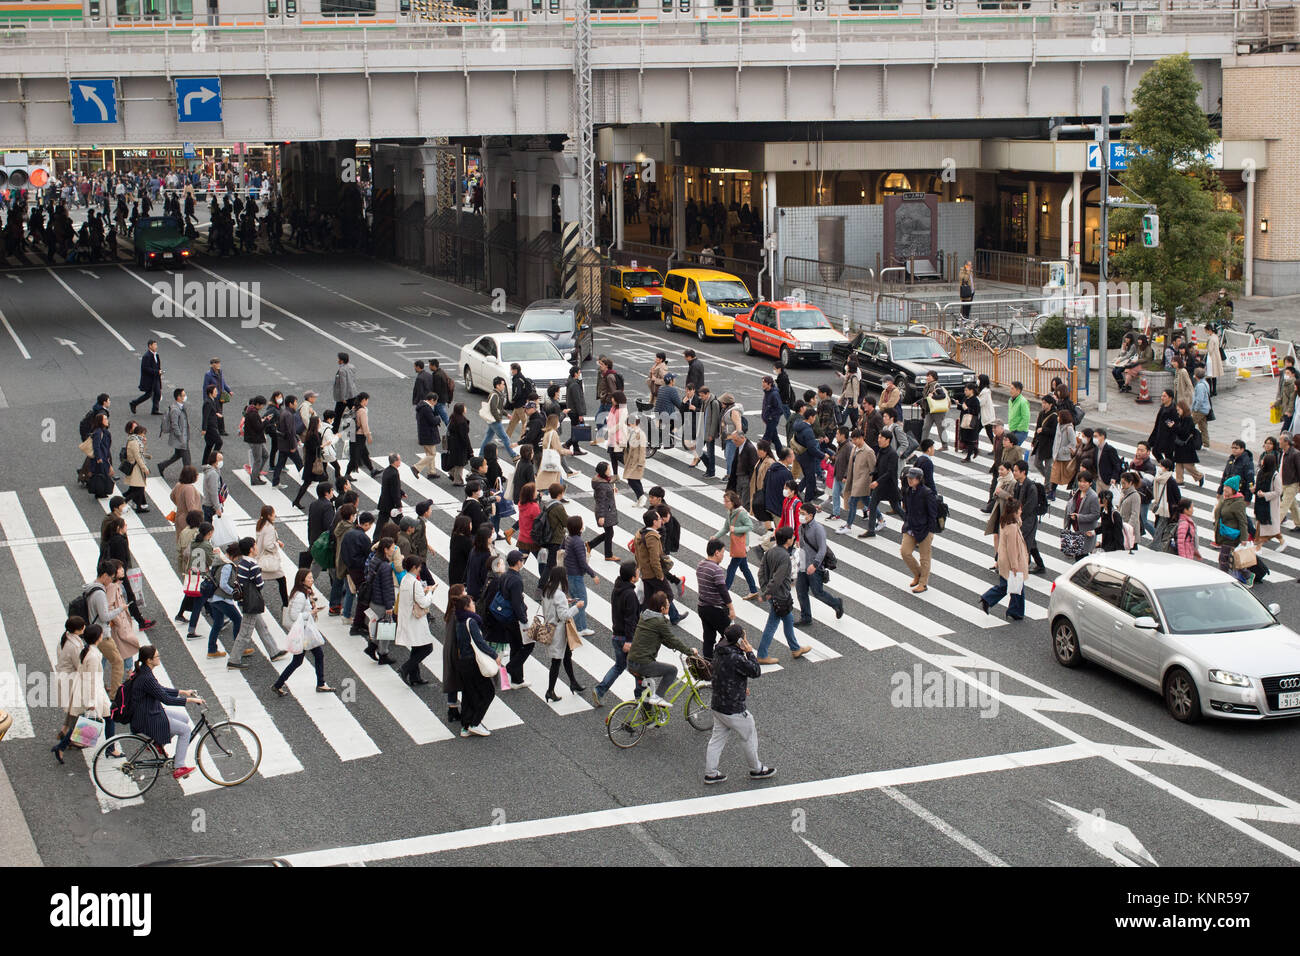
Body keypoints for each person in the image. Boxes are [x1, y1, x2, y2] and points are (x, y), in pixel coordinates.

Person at [703, 623, 775, 785]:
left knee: (716, 740)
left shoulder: (719, 650)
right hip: (733, 708)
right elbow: (755, 671)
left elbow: (727, 674)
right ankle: (757, 769)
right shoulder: (736, 657)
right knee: (748, 735)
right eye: (743, 636)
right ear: (739, 641)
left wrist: (741, 686)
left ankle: (711, 773)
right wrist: (749, 652)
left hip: (718, 704)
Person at [129, 645, 205, 781]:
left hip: (148, 711)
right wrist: (191, 700)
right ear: (149, 660)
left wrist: (183, 692)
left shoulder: (144, 671)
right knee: (185, 730)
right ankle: (179, 767)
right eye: (157, 656)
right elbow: (166, 699)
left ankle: (157, 743)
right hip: (148, 716)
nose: (159, 658)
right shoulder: (146, 677)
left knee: (183, 718)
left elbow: (159, 689)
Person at [51, 620, 113, 764]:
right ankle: (111, 748)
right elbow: (91, 679)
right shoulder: (92, 655)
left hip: (91, 690)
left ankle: (61, 746)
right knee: (103, 719)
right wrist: (91, 702)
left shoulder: (87, 650)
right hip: (93, 693)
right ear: (98, 637)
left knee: (88, 721)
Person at [273, 569, 335, 696]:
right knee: (310, 657)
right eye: (309, 578)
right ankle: (320, 684)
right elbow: (294, 615)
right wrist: (311, 613)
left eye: (312, 577)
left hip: (304, 630)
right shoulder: (300, 595)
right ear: (302, 580)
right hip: (304, 632)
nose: (312, 580)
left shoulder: (303, 592)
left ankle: (278, 685)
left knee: (302, 660)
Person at [627, 590, 695, 706]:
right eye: (668, 605)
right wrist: (690, 652)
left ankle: (648, 715)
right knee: (672, 670)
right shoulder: (659, 621)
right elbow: (672, 639)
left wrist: (671, 646)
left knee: (647, 693)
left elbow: (661, 638)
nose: (669, 606)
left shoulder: (645, 616)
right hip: (643, 663)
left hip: (631, 661)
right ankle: (658, 697)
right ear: (662, 608)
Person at [755, 526, 810, 664]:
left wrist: (765, 589)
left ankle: (795, 648)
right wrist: (767, 594)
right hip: (779, 596)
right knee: (772, 624)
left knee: (788, 619)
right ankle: (762, 654)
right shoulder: (785, 557)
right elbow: (778, 579)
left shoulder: (770, 551)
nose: (794, 538)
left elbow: (761, 573)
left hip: (774, 594)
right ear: (787, 540)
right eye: (792, 536)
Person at [592, 561, 643, 706]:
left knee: (619, 666)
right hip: (626, 638)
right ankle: (640, 697)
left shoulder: (617, 589)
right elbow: (630, 620)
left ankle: (599, 690)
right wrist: (629, 640)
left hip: (616, 634)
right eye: (637, 571)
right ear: (632, 578)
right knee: (638, 667)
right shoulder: (630, 594)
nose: (638, 572)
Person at [452, 594, 499, 737]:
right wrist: (494, 655)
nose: (474, 605)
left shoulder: (459, 621)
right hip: (473, 662)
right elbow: (479, 642)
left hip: (463, 662)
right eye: (472, 603)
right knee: (488, 692)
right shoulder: (471, 621)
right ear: (467, 607)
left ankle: (466, 726)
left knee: (468, 694)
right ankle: (475, 723)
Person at [540, 567, 585, 702]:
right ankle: (550, 690)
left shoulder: (547, 589)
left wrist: (566, 602)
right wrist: (577, 607)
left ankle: (573, 682)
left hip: (549, 626)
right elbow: (564, 615)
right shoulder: (559, 594)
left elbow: (553, 607)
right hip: (558, 631)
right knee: (556, 661)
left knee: (567, 656)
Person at [979, 500, 1029, 621]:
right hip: (1011, 561)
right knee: (1011, 586)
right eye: (1019, 509)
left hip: (1005, 560)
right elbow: (1012, 548)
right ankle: (991, 600)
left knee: (1013, 586)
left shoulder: (1007, 522)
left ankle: (1014, 610)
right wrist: (1014, 565)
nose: (1021, 511)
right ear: (1014, 512)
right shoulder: (1011, 527)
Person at [795, 502, 843, 624]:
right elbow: (802, 546)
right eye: (800, 513)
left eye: (803, 513)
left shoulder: (818, 529)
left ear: (811, 515)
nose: (800, 515)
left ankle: (836, 603)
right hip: (803, 565)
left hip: (814, 567)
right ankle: (806, 618)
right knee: (801, 592)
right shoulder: (801, 527)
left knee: (818, 593)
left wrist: (815, 565)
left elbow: (822, 549)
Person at [392, 556, 437, 686]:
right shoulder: (415, 583)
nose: (420, 569)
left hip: (407, 618)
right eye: (419, 567)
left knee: (416, 647)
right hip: (415, 620)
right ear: (414, 567)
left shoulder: (405, 579)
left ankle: (414, 676)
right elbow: (423, 603)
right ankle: (405, 668)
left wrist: (423, 591)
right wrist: (430, 592)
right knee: (427, 648)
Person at [899, 466, 940, 593]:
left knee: (924, 558)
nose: (910, 480)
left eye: (912, 478)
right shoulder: (908, 491)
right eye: (909, 478)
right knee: (905, 552)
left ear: (919, 479)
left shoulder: (927, 493)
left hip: (924, 529)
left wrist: (930, 531)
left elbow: (932, 513)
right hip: (910, 527)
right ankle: (918, 573)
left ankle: (923, 583)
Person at [696, 538, 735, 660]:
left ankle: (707, 662)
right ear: (717, 553)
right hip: (715, 609)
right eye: (723, 552)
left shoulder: (700, 564)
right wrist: (731, 608)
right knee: (730, 635)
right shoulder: (716, 569)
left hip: (702, 607)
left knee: (708, 637)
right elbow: (723, 591)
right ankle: (721, 656)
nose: (723, 555)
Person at [1214, 475, 1252, 584]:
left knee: (1224, 558)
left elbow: (1243, 521)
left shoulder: (1238, 503)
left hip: (1232, 534)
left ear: (1233, 489)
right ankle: (1247, 575)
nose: (1224, 489)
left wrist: (1244, 538)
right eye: (1224, 487)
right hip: (1224, 532)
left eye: (1227, 487)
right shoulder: (1224, 498)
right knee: (1234, 559)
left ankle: (1224, 579)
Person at [861, 431, 900, 539]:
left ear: (887, 440)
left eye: (881, 438)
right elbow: (878, 467)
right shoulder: (881, 451)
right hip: (879, 485)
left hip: (889, 486)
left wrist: (877, 481)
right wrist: (872, 474)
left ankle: (912, 528)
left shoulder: (893, 454)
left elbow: (890, 472)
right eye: (878, 437)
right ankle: (871, 530)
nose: (878, 440)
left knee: (896, 508)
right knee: (872, 506)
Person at [1011, 461, 1045, 573]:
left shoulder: (1031, 487)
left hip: (1028, 519)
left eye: (1016, 471)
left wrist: (1019, 516)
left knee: (1023, 541)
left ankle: (1022, 566)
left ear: (1023, 472)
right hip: (1021, 517)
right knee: (1030, 541)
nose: (1014, 472)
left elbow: (1030, 506)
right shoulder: (1018, 484)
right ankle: (1040, 565)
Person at [1063, 471, 1101, 557]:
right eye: (1080, 481)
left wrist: (1079, 517)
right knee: (1077, 554)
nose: (1081, 484)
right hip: (1076, 528)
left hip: (1086, 531)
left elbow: (1096, 515)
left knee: (1082, 555)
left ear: (1090, 483)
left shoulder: (1093, 497)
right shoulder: (1078, 492)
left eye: (1084, 482)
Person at [588, 461, 620, 561]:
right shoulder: (601, 485)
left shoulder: (604, 480)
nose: (610, 470)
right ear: (604, 471)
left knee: (609, 533)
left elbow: (603, 493)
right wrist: (601, 516)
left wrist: (611, 490)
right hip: (605, 511)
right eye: (608, 469)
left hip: (607, 510)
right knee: (609, 533)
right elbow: (600, 501)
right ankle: (607, 554)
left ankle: (591, 545)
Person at [157, 388, 191, 477]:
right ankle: (187, 477)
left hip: (183, 437)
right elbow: (174, 424)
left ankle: (162, 465)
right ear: (178, 397)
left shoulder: (181, 406)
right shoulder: (175, 409)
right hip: (181, 439)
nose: (185, 397)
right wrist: (180, 437)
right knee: (187, 460)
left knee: (178, 455)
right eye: (183, 395)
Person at [345, 393, 381, 480]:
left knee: (364, 453)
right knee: (355, 456)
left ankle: (372, 470)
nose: (367, 402)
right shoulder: (362, 411)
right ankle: (347, 474)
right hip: (359, 435)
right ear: (364, 400)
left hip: (353, 434)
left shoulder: (354, 408)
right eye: (367, 400)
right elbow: (364, 425)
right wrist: (368, 435)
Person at [1255, 451, 1285, 550]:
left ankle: (1258, 547)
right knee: (1268, 528)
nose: (1262, 461)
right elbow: (1258, 485)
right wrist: (1254, 489)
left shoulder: (1275, 476)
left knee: (1267, 527)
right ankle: (1282, 541)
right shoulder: (1260, 472)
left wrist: (1265, 495)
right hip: (1260, 504)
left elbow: (1278, 491)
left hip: (1270, 505)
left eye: (1264, 460)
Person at [1150, 458, 1182, 552]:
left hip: (1167, 509)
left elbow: (1177, 496)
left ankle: (1156, 545)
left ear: (1167, 468)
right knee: (1161, 527)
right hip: (1161, 507)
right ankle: (1159, 545)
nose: (1160, 467)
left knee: (1161, 527)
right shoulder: (1159, 478)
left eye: (1161, 466)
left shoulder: (1170, 480)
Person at [792, 406, 824, 500]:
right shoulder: (808, 430)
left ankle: (796, 493)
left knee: (807, 477)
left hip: (800, 455)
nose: (814, 419)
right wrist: (823, 455)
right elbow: (812, 449)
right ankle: (806, 502)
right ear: (810, 417)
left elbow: (804, 441)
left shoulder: (799, 425)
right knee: (811, 481)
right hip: (807, 458)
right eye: (814, 417)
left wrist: (815, 440)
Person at [479, 377, 514, 460]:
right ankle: (514, 455)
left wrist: (506, 414)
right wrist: (498, 419)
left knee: (488, 437)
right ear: (497, 385)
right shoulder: (495, 395)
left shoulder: (497, 394)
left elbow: (499, 408)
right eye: (503, 384)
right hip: (495, 420)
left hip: (492, 420)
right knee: (505, 438)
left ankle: (481, 455)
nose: (504, 386)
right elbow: (494, 409)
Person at [1172, 400, 1205, 487]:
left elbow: (1184, 432)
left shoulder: (1188, 419)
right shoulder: (1179, 418)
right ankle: (1179, 480)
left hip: (1187, 445)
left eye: (1179, 409)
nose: (1177, 411)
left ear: (1183, 409)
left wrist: (1174, 426)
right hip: (1179, 444)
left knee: (1187, 464)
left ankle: (1199, 476)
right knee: (1178, 463)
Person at [129, 339, 164, 415]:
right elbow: (145, 368)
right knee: (148, 394)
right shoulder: (146, 356)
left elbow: (157, 366)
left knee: (158, 393)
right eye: (154, 345)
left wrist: (159, 372)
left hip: (155, 378)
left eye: (156, 345)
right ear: (150, 346)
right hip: (149, 379)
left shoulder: (156, 355)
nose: (156, 346)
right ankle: (134, 403)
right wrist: (157, 372)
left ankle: (155, 410)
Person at [122, 420, 151, 513]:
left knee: (138, 488)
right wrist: (144, 468)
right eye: (143, 434)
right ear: (139, 433)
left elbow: (141, 452)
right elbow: (138, 456)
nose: (144, 436)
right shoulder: (134, 442)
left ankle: (138, 507)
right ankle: (124, 501)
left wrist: (144, 446)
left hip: (137, 467)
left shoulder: (136, 440)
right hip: (135, 467)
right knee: (139, 489)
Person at [919, 371, 950, 452]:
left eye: (929, 376)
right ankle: (922, 446)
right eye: (927, 376)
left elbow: (943, 395)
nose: (927, 378)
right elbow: (926, 398)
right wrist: (918, 402)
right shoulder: (928, 386)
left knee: (941, 428)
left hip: (938, 411)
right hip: (930, 410)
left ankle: (945, 445)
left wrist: (933, 397)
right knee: (925, 428)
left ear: (934, 377)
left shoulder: (936, 385)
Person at [242, 396, 270, 485]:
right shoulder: (253, 414)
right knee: (258, 460)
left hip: (255, 439)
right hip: (255, 440)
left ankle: (256, 473)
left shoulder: (251, 410)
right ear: (257, 404)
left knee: (265, 455)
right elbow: (259, 428)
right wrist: (266, 421)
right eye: (262, 405)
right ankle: (254, 478)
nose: (262, 407)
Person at [1049, 408, 1076, 499]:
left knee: (1068, 476)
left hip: (1064, 457)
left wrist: (1063, 450)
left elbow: (1073, 443)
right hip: (1057, 455)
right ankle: (1052, 492)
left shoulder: (1069, 428)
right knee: (1055, 475)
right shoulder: (1059, 425)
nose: (1057, 418)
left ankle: (1073, 491)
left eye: (1059, 416)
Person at [444, 403, 472, 486]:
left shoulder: (453, 417)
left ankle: (452, 473)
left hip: (452, 443)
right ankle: (458, 481)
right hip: (460, 445)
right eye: (464, 407)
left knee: (455, 460)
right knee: (460, 463)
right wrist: (470, 449)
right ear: (461, 410)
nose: (466, 408)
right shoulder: (462, 422)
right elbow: (465, 437)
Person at [564, 365, 588, 455]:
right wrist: (580, 414)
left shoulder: (572, 382)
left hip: (572, 410)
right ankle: (567, 444)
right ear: (575, 374)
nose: (580, 374)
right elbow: (577, 400)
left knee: (576, 430)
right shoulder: (574, 385)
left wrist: (580, 381)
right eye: (579, 373)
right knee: (579, 431)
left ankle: (576, 449)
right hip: (575, 412)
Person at [1117, 472, 1142, 552]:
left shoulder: (1135, 495)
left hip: (1130, 531)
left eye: (1124, 483)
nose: (1122, 485)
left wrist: (1127, 528)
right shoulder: (1124, 493)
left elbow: (1135, 514)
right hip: (1123, 528)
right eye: (1121, 483)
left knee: (1132, 551)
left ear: (1130, 483)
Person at [333, 351, 359, 425]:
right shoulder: (351, 366)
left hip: (345, 397)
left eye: (339, 359)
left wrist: (343, 398)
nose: (338, 360)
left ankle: (334, 429)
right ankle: (360, 426)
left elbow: (343, 385)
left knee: (337, 415)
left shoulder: (342, 370)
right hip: (352, 393)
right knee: (354, 413)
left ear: (342, 360)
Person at [1094, 427, 1122, 495]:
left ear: (1102, 437)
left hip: (1108, 482)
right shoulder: (1097, 449)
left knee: (1108, 500)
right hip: (1099, 481)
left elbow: (1117, 465)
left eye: (1096, 436)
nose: (1094, 438)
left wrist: (1114, 477)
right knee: (1098, 500)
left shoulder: (1110, 450)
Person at [958, 382, 981, 462]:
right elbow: (962, 407)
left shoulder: (975, 400)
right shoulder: (965, 398)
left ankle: (968, 458)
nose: (965, 392)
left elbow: (976, 412)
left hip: (971, 422)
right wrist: (959, 404)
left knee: (970, 439)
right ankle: (975, 449)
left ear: (971, 391)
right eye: (965, 390)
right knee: (964, 438)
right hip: (964, 421)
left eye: (966, 390)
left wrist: (967, 408)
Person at [1006, 380, 1030, 446]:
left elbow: (1026, 417)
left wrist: (1018, 428)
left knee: (1013, 448)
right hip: (1012, 429)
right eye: (1010, 388)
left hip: (1020, 431)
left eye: (1012, 389)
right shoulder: (1010, 400)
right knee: (1010, 449)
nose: (1010, 391)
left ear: (1018, 390)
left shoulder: (1023, 402)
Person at [1204, 323, 1224, 396]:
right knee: (1214, 376)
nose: (1205, 332)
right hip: (1216, 357)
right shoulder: (1215, 337)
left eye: (1206, 331)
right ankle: (1214, 391)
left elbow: (1209, 350)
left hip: (1211, 358)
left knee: (1209, 375)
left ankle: (1210, 391)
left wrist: (1201, 351)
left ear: (1209, 330)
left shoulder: (1211, 339)